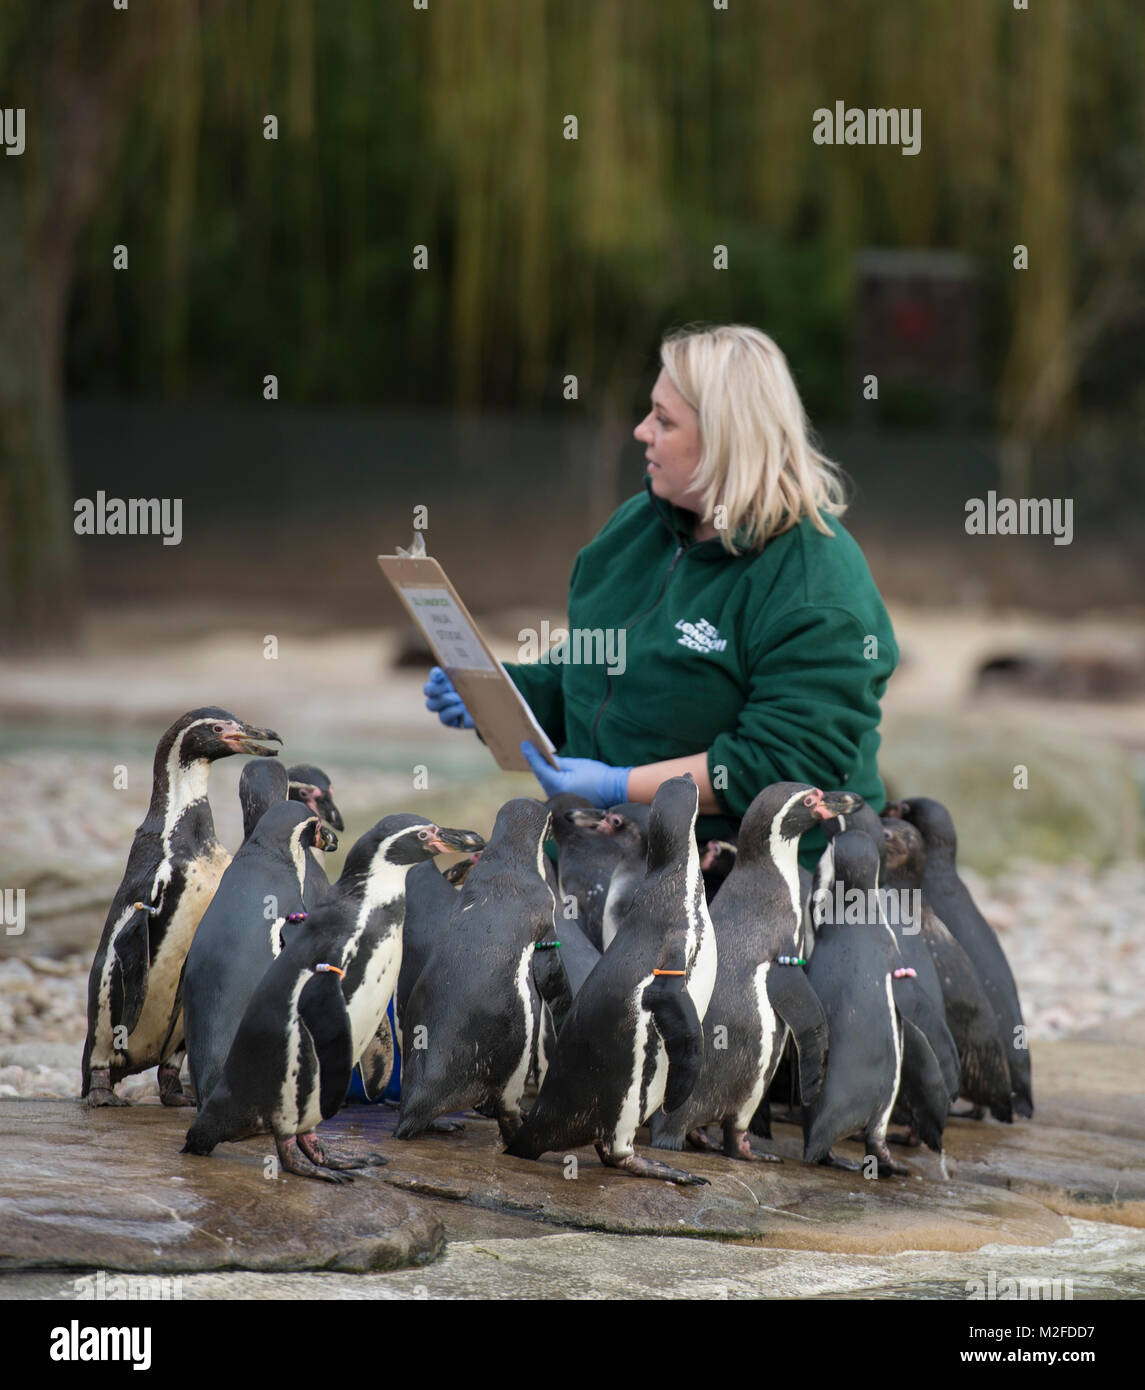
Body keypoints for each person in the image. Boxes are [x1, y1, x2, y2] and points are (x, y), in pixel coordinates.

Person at [425, 324, 897, 868]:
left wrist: (620, 783)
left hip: (757, 874)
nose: (640, 431)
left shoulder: (816, 584)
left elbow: (784, 762)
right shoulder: (635, 526)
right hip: (608, 843)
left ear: (729, 437)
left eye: (664, 420)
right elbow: (594, 670)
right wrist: (506, 694)